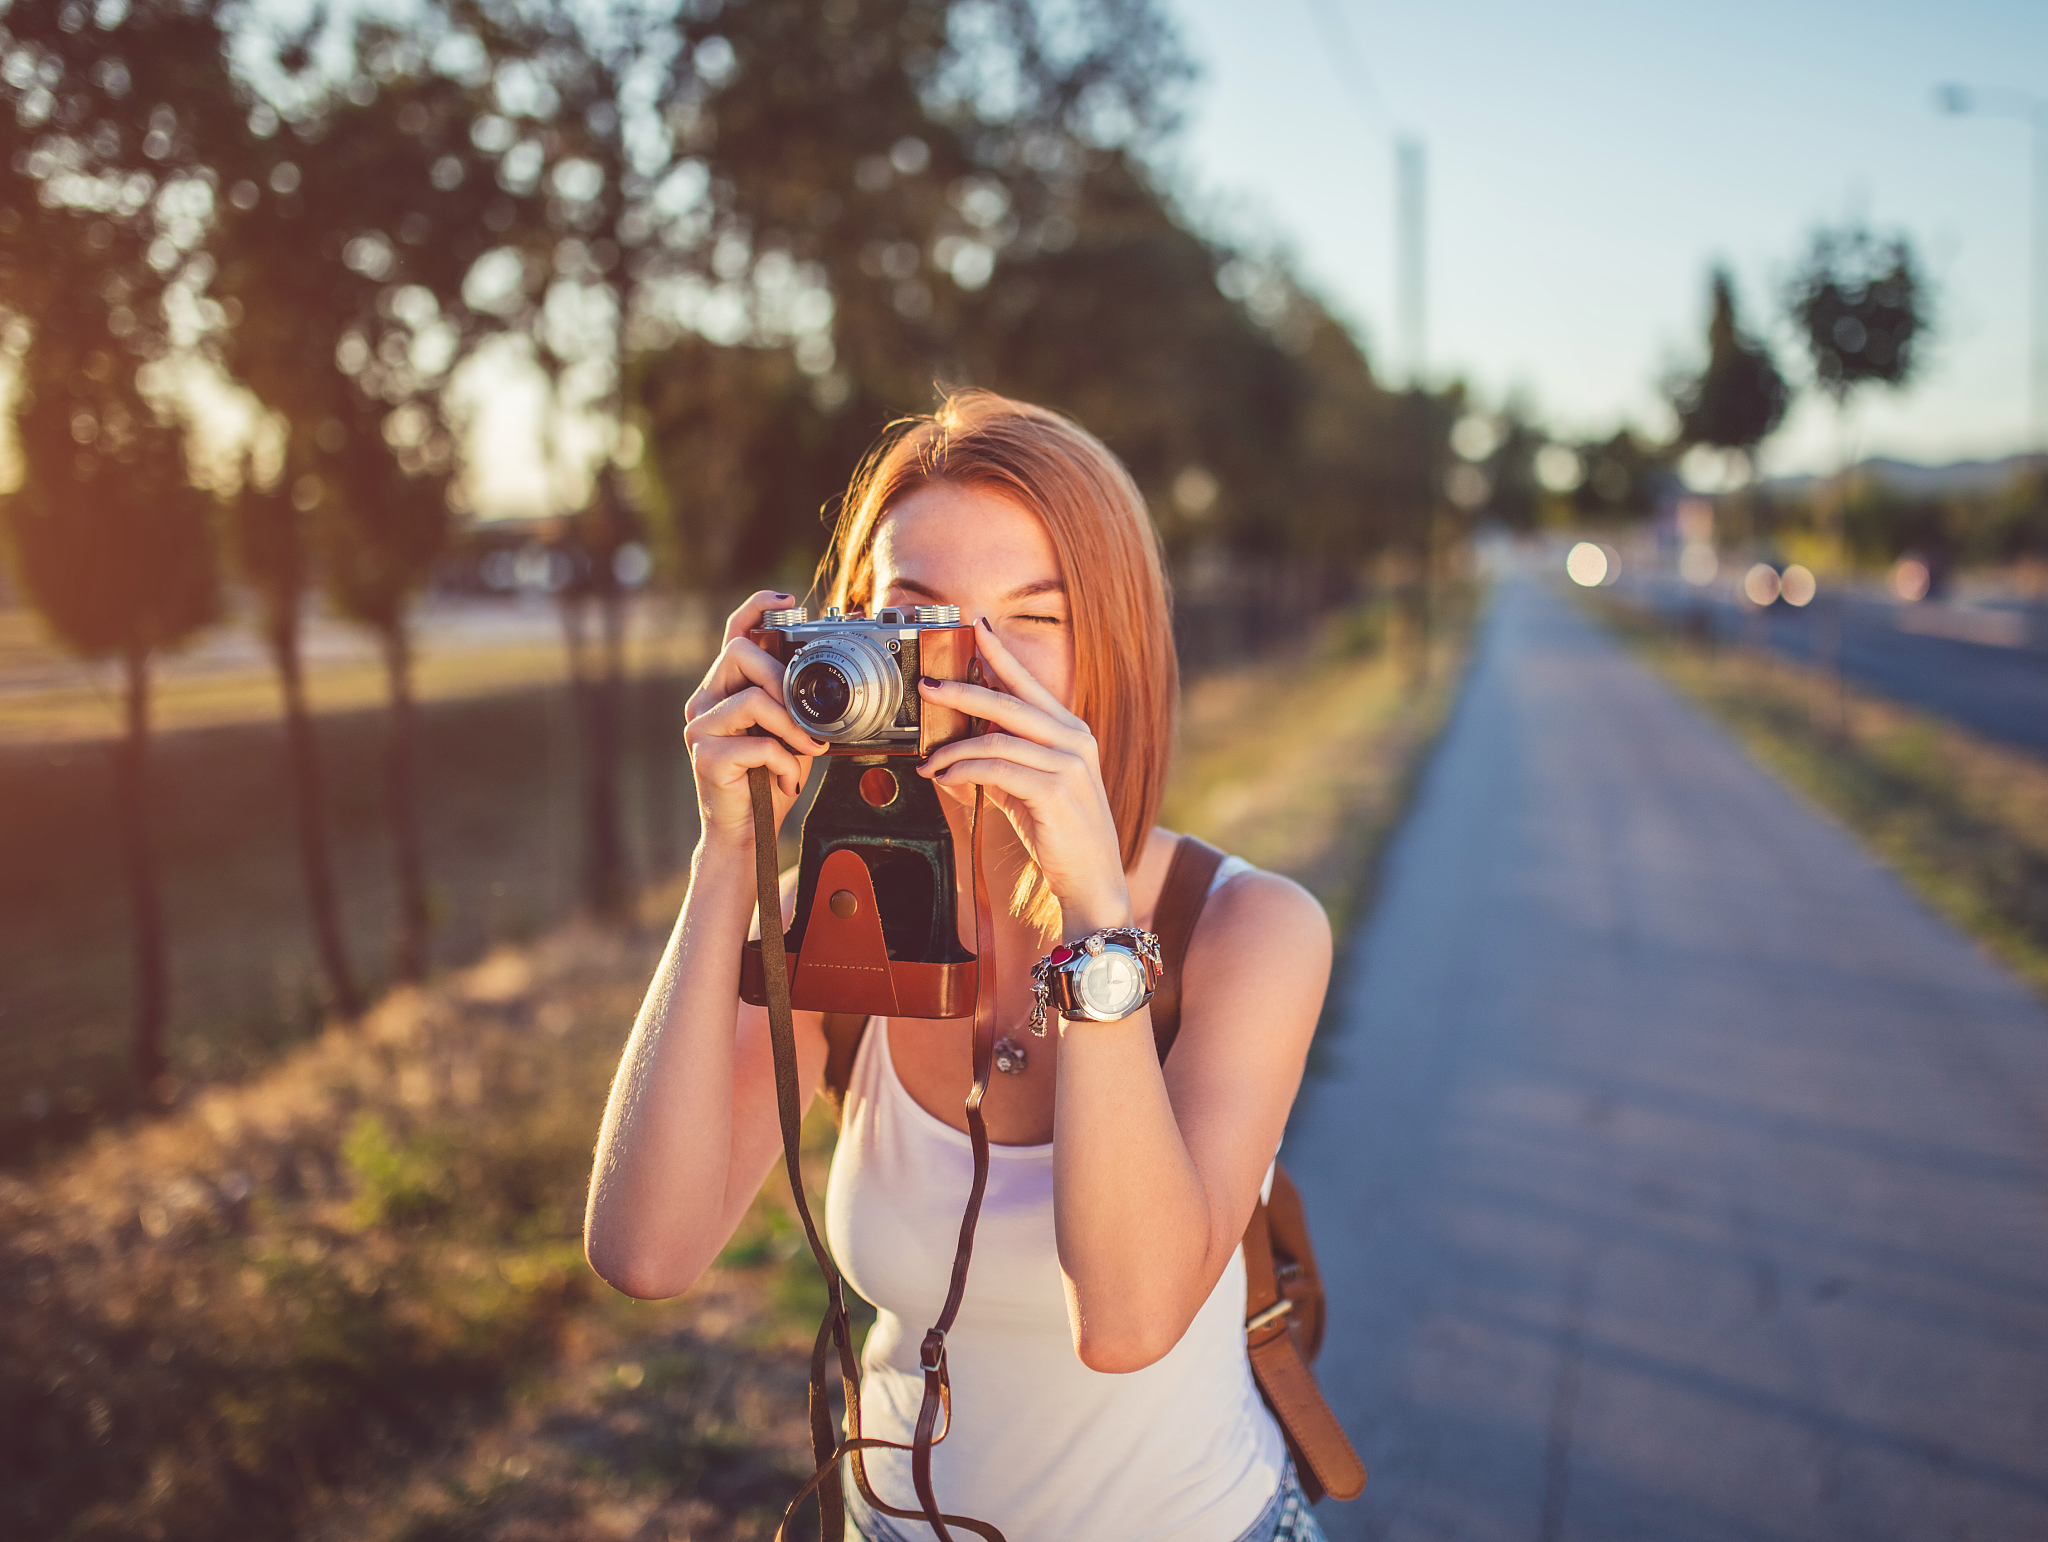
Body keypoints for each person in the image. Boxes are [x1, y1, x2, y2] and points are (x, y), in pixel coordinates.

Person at [584, 390, 1332, 1542]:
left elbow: (1127, 1324)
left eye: (1034, 614)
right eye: (912, 612)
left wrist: (1093, 907)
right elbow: (645, 1251)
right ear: (843, 641)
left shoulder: (1245, 930)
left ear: (1113, 647)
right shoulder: (832, 923)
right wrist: (727, 852)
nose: (963, 664)